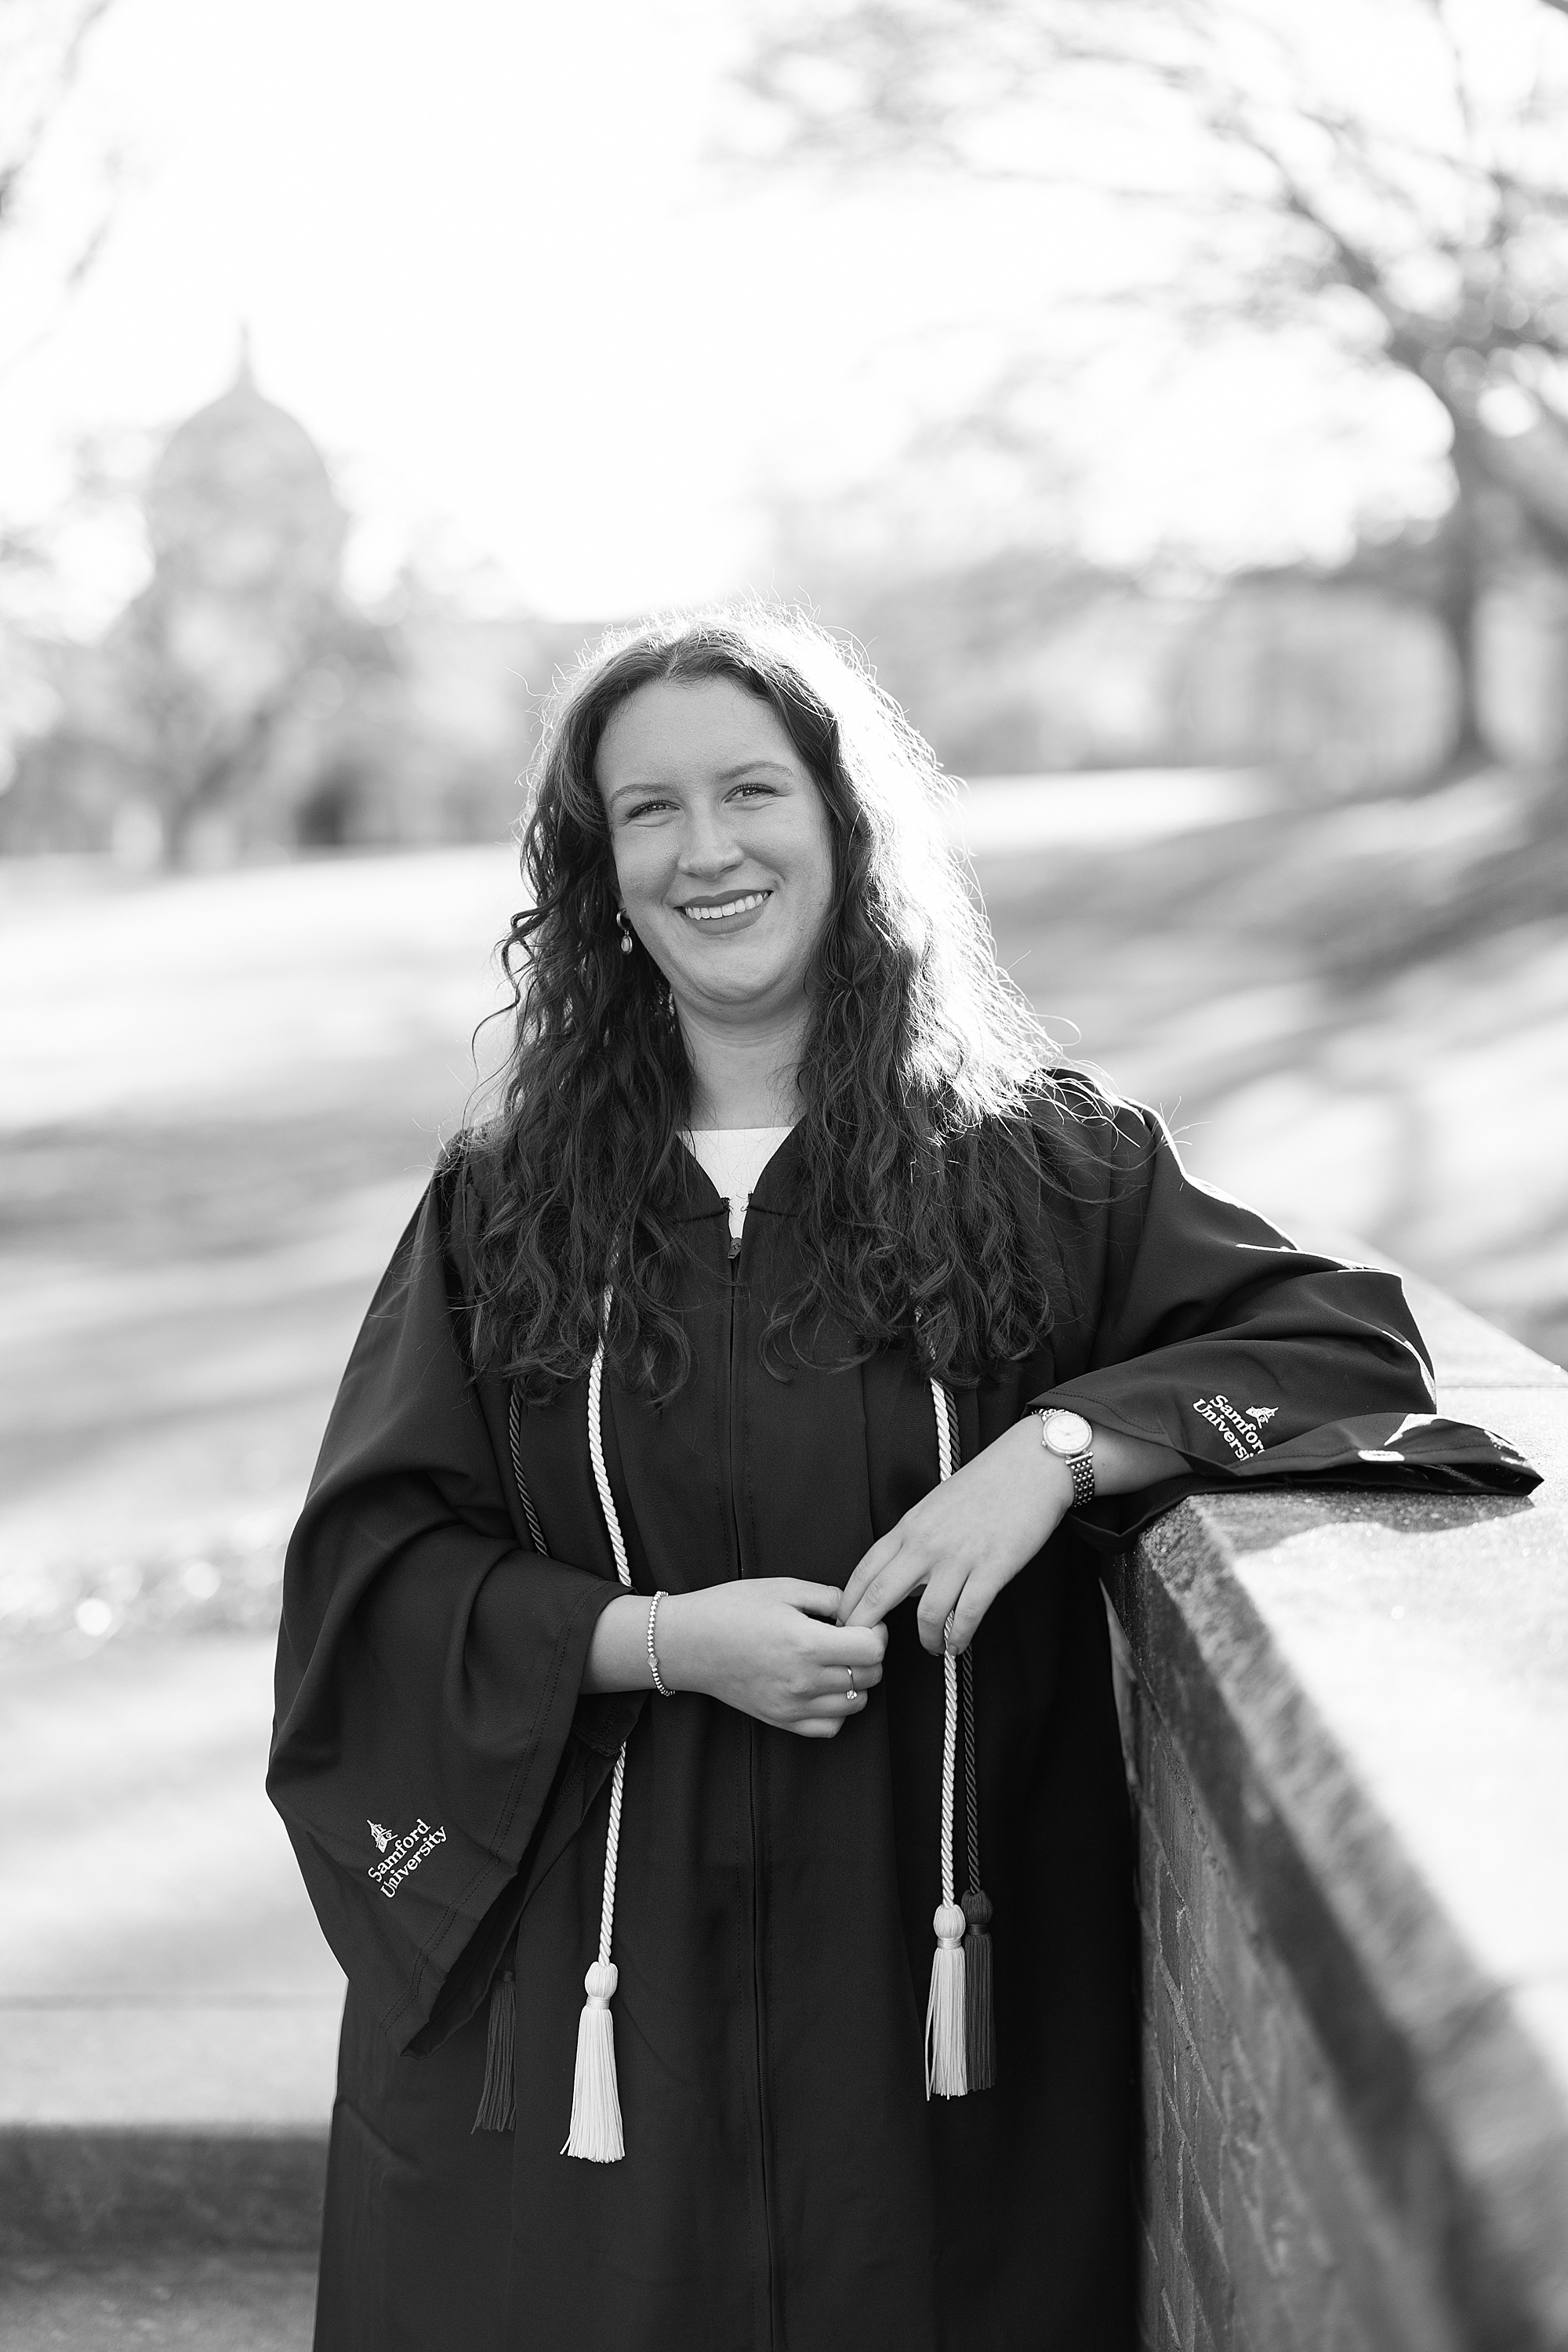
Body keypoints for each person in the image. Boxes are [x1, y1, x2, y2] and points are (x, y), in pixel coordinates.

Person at [269, 608, 1537, 2352]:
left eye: (747, 791)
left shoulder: (1036, 1169)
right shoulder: (506, 1210)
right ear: (597, 870)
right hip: (595, 1995)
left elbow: (1342, 1352)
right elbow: (374, 1573)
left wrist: (1057, 1450)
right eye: (647, 812)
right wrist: (652, 1640)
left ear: (846, 826)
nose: (705, 850)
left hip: (931, 1981)